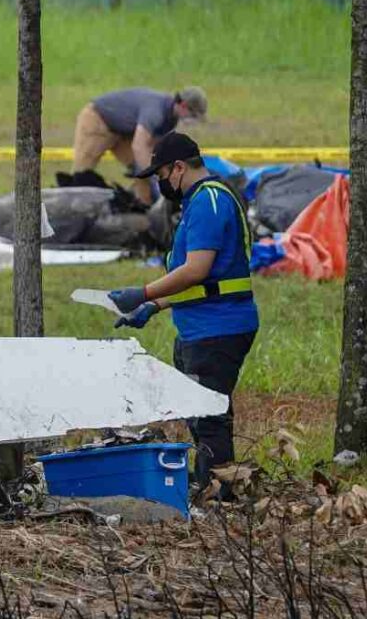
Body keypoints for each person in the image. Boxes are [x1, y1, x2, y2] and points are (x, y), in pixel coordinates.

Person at [108, 132, 258, 495]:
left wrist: (141, 292)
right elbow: (211, 280)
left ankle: (220, 495)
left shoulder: (208, 201)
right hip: (202, 325)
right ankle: (211, 484)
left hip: (217, 328)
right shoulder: (202, 201)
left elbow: (196, 270)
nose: (160, 184)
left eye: (160, 175)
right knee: (202, 412)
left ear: (178, 167)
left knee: (208, 416)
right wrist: (155, 306)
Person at [71, 87, 207, 206]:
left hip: (123, 131)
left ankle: (145, 207)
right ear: (183, 105)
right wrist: (155, 174)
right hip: (97, 120)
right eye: (193, 115)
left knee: (140, 169)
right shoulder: (156, 111)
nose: (193, 120)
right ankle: (72, 209)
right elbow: (139, 145)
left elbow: (154, 150)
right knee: (81, 173)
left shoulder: (171, 118)